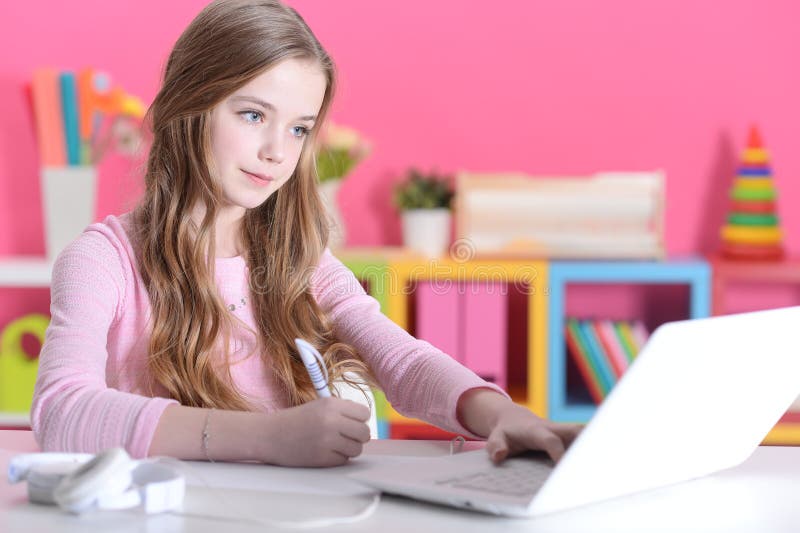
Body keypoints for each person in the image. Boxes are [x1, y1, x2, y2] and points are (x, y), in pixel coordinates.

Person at [31, 0, 580, 468]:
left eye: (298, 128)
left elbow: (403, 361)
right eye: (252, 115)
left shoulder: (300, 260)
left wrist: (502, 415)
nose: (277, 150)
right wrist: (269, 437)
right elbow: (61, 410)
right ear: (189, 105)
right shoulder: (104, 260)